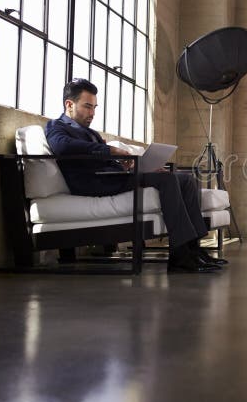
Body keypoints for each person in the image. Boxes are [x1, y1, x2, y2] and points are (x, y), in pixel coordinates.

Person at [45, 78, 223, 273]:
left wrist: (131, 167)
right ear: (69, 104)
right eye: (88, 107)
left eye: (95, 107)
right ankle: (179, 254)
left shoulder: (91, 133)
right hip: (94, 182)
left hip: (112, 177)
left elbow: (104, 159)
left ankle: (192, 249)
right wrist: (110, 151)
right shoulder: (56, 127)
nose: (92, 113)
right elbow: (63, 147)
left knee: (186, 179)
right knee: (167, 179)